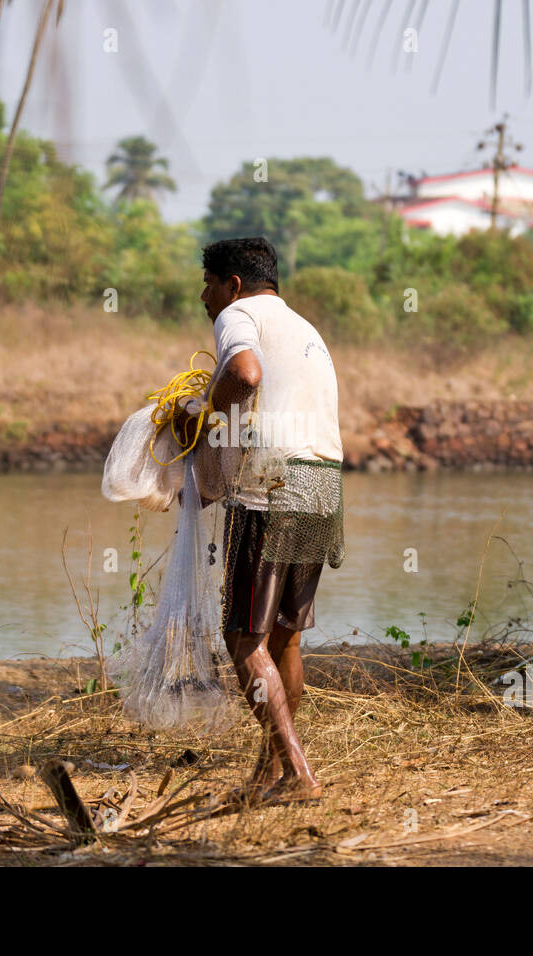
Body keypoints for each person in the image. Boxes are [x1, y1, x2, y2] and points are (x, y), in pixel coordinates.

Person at [178, 236, 344, 807]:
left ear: (235, 285)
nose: (205, 297)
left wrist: (201, 416)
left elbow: (244, 375)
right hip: (322, 484)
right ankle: (267, 773)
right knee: (284, 639)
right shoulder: (306, 330)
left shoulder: (238, 316)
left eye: (210, 284)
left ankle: (297, 773)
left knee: (243, 637)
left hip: (271, 485)